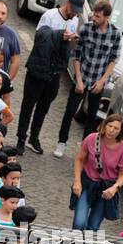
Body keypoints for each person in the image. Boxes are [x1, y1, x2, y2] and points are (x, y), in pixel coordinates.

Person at [53, 0, 121, 158]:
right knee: (70, 111)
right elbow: (76, 55)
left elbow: (113, 60)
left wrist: (102, 80)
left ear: (107, 17)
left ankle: (85, 149)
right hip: (83, 75)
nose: (94, 19)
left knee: (92, 117)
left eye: (98, 16)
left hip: (98, 80)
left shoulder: (115, 34)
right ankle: (61, 142)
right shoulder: (86, 29)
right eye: (94, 15)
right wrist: (78, 79)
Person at [16, 26, 76, 155]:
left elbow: (69, 51)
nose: (75, 14)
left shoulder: (74, 21)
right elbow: (40, 35)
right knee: (27, 107)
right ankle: (21, 138)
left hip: (54, 74)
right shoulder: (50, 15)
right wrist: (60, 35)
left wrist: (66, 41)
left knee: (43, 109)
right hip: (37, 71)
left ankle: (33, 138)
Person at [71, 115, 123, 232]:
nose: (111, 130)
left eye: (116, 128)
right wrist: (77, 182)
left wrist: (114, 188)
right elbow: (79, 159)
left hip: (105, 189)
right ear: (104, 125)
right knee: (79, 223)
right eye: (110, 126)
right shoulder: (92, 139)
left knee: (93, 227)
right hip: (87, 183)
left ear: (120, 131)